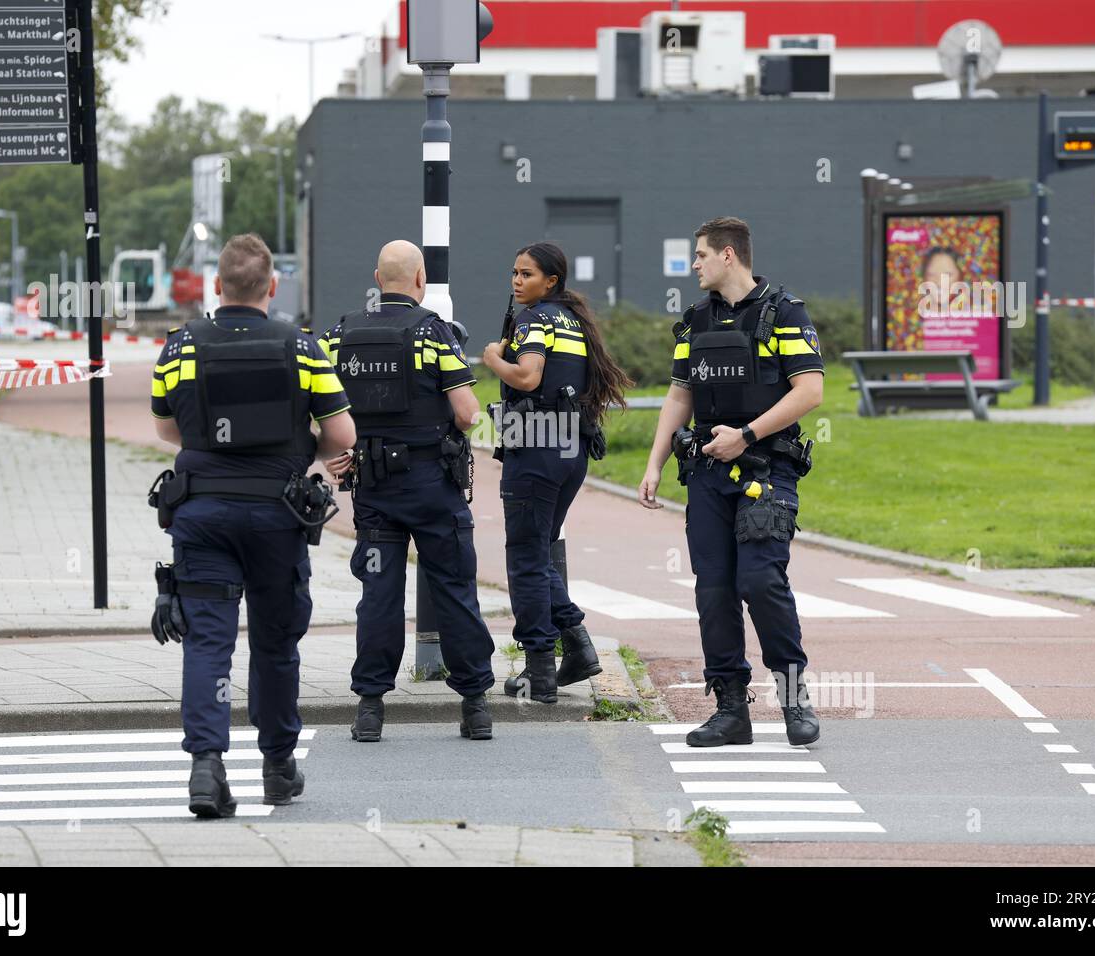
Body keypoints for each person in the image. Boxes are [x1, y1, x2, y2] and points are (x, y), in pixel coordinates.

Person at [150, 233, 356, 817]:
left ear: (217, 286)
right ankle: (277, 767)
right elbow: (342, 437)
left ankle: (206, 769)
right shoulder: (303, 348)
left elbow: (171, 431)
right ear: (271, 286)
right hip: (275, 517)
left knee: (208, 642)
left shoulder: (179, 349)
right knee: (275, 641)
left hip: (202, 515)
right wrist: (301, 446)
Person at [637, 217, 823, 748]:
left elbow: (809, 391)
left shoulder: (785, 312)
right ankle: (730, 711)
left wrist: (746, 434)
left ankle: (793, 698)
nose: (693, 264)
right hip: (708, 475)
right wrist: (653, 465)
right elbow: (679, 396)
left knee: (761, 581)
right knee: (714, 590)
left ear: (727, 256)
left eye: (699, 255)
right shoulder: (696, 319)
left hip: (768, 470)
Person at [318, 240, 496, 741]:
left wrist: (340, 450)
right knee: (454, 588)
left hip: (372, 487)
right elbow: (465, 413)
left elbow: (322, 408)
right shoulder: (433, 332)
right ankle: (475, 706)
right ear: (420, 280)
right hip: (432, 487)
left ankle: (370, 709)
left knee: (379, 595)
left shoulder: (341, 333)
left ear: (378, 278)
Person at [480, 242, 632, 702]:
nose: (516, 280)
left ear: (551, 281)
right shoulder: (572, 321)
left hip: (535, 451)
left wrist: (491, 359)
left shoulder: (534, 319)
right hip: (572, 451)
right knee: (539, 553)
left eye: (526, 274)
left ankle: (541, 672)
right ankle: (578, 650)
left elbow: (526, 377)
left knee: (526, 560)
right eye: (514, 272)